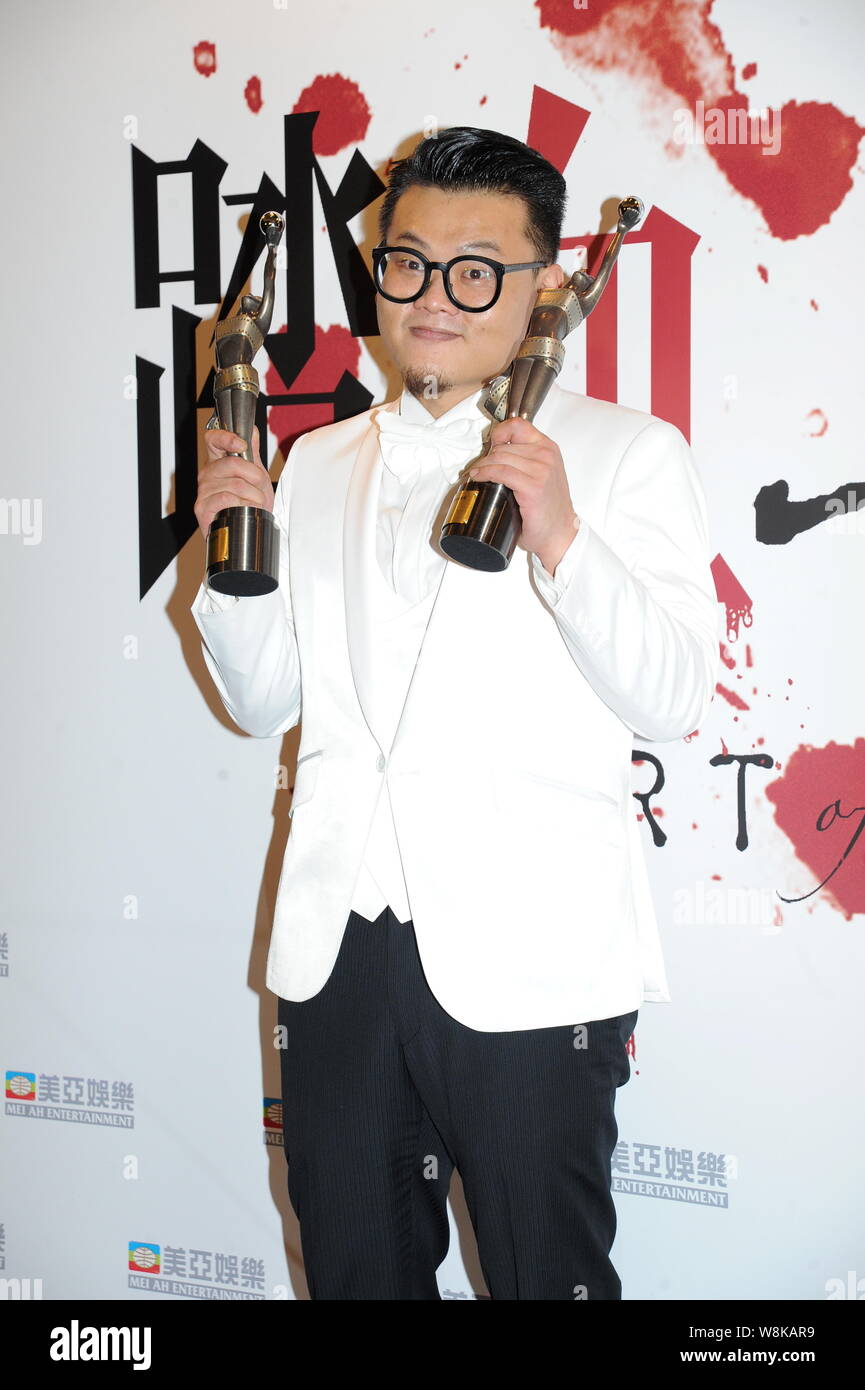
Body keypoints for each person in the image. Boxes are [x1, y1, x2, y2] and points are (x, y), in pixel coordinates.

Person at [190, 126, 721, 1301]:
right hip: (337, 955)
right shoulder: (316, 458)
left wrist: (562, 538)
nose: (433, 297)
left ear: (541, 289)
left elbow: (677, 695)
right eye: (406, 262)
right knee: (354, 1271)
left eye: (476, 269)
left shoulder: (624, 453)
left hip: (528, 957)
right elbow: (260, 698)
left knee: (546, 1276)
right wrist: (232, 563)